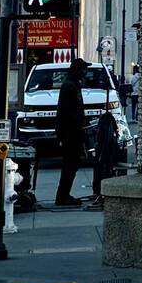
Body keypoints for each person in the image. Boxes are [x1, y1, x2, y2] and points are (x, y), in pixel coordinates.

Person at [55, 57, 88, 206]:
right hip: (70, 133)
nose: (85, 72)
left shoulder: (73, 84)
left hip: (72, 131)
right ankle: (62, 197)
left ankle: (64, 195)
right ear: (77, 70)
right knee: (70, 165)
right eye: (83, 69)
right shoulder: (69, 86)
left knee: (72, 165)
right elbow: (67, 112)